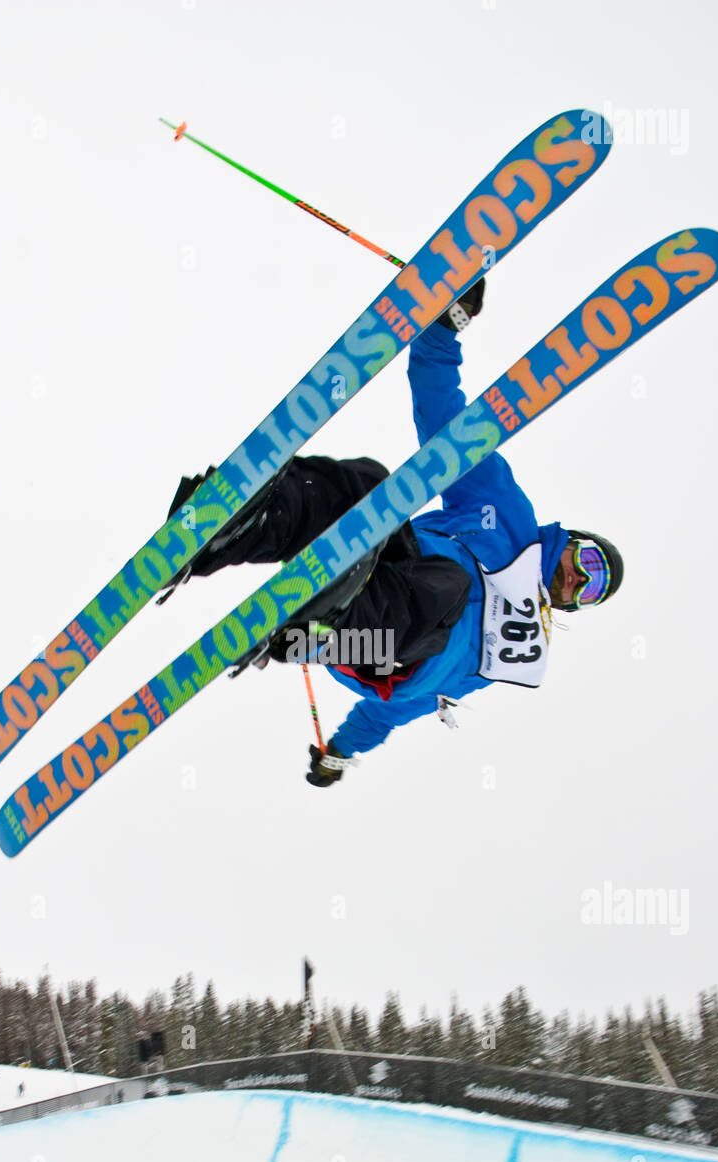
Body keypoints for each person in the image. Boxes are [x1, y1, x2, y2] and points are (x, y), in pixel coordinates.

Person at [165, 279, 623, 787]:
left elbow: (393, 714)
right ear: (572, 540)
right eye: (590, 563)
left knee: (447, 588)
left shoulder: (516, 648)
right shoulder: (507, 516)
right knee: (366, 485)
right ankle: (233, 526)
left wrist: (340, 751)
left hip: (384, 650)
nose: (578, 580)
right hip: (386, 572)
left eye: (590, 590)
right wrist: (442, 334)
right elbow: (446, 429)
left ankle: (324, 621)